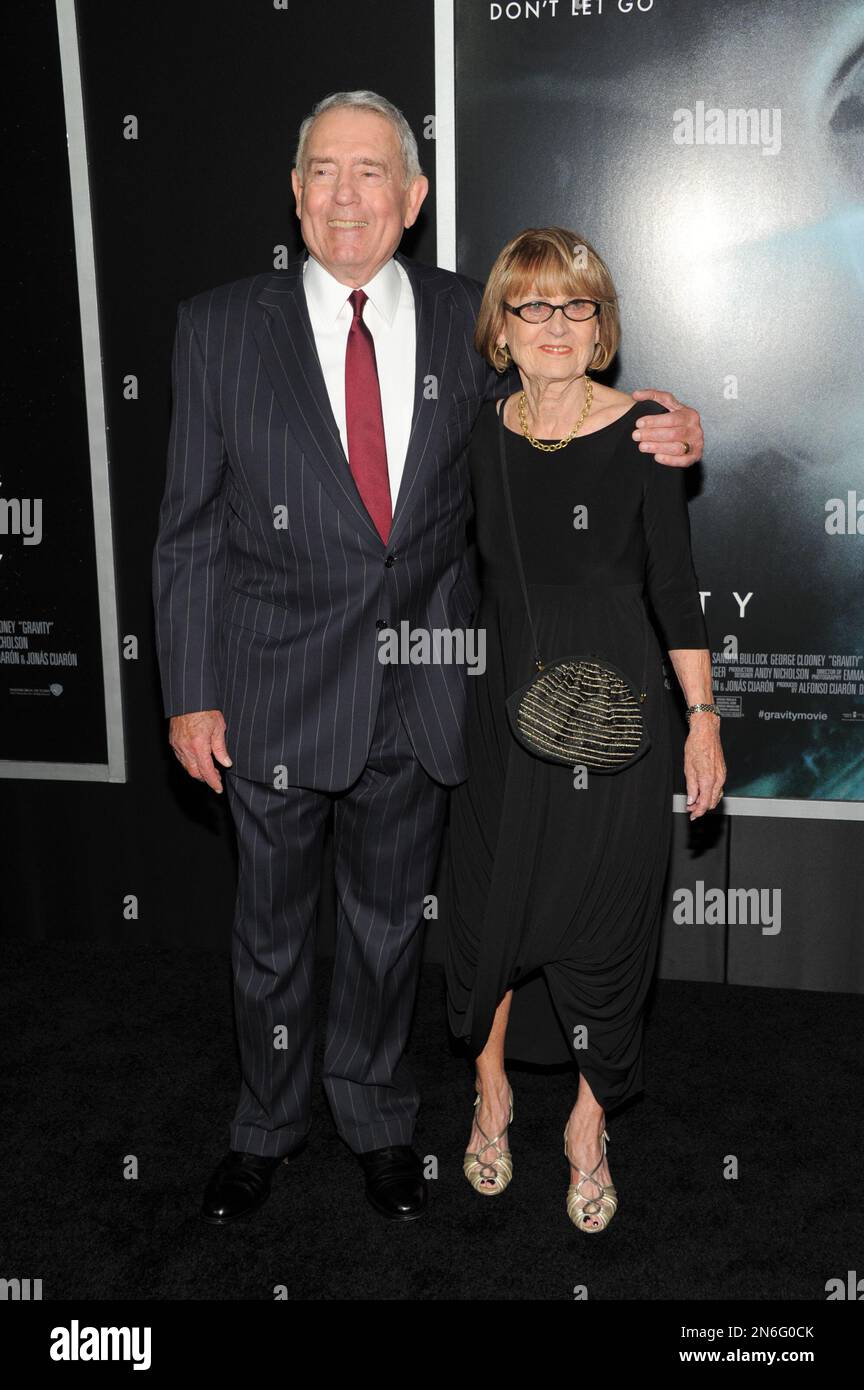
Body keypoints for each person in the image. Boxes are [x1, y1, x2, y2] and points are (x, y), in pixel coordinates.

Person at [152, 92, 705, 1226]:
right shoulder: (217, 326)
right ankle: (265, 1124)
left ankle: (376, 1120)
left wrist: (671, 423)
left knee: (385, 929)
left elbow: (567, 414)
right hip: (266, 690)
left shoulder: (472, 319)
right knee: (266, 932)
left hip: (424, 690)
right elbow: (188, 528)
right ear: (295, 192)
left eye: (371, 174)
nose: (345, 195)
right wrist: (192, 692)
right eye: (322, 171)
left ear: (413, 198)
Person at [445, 227, 725, 1232]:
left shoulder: (647, 432)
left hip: (617, 730)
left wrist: (703, 719)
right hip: (501, 727)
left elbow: (677, 592)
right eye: (532, 306)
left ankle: (589, 1124)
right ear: (502, 328)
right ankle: (490, 1095)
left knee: (609, 933)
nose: (555, 326)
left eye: (576, 307)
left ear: (600, 325)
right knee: (484, 922)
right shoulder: (479, 437)